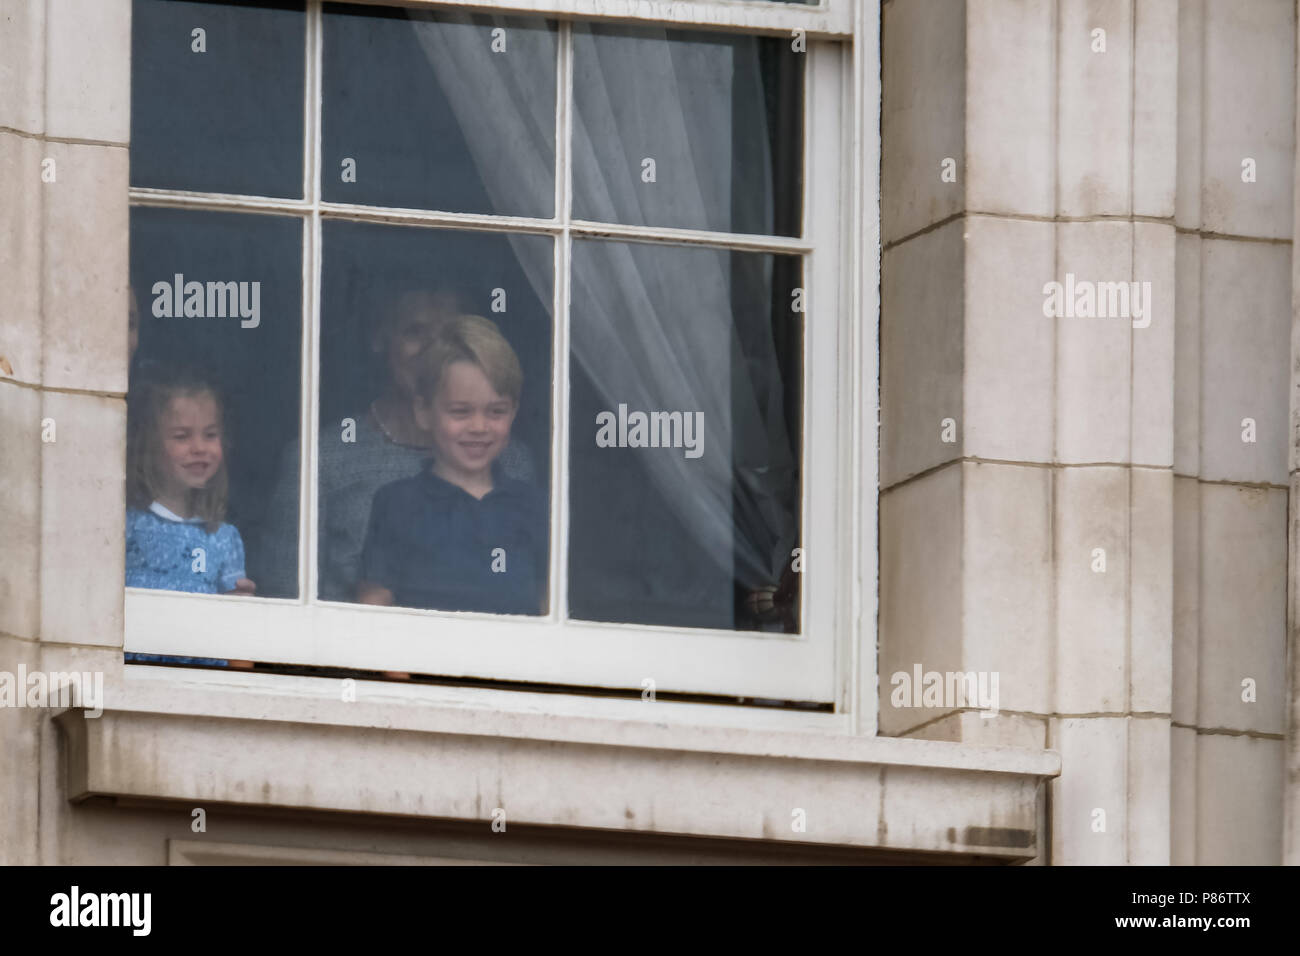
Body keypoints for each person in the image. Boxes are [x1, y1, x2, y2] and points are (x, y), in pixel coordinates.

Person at [254, 290, 535, 601]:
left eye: (448, 335)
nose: (433, 350)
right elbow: (287, 599)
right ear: (381, 338)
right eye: (415, 332)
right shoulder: (321, 459)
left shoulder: (512, 463)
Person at [356, 314, 546, 615]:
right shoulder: (397, 504)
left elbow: (549, 611)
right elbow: (372, 610)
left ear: (514, 413)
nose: (479, 426)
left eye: (496, 412)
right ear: (423, 411)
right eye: (461, 412)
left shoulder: (532, 507)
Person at [124, 367, 255, 666]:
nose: (199, 448)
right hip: (135, 678)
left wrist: (242, 610)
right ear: (149, 447)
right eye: (182, 436)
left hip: (200, 683)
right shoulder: (127, 524)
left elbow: (239, 648)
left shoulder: (223, 537)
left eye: (210, 435)